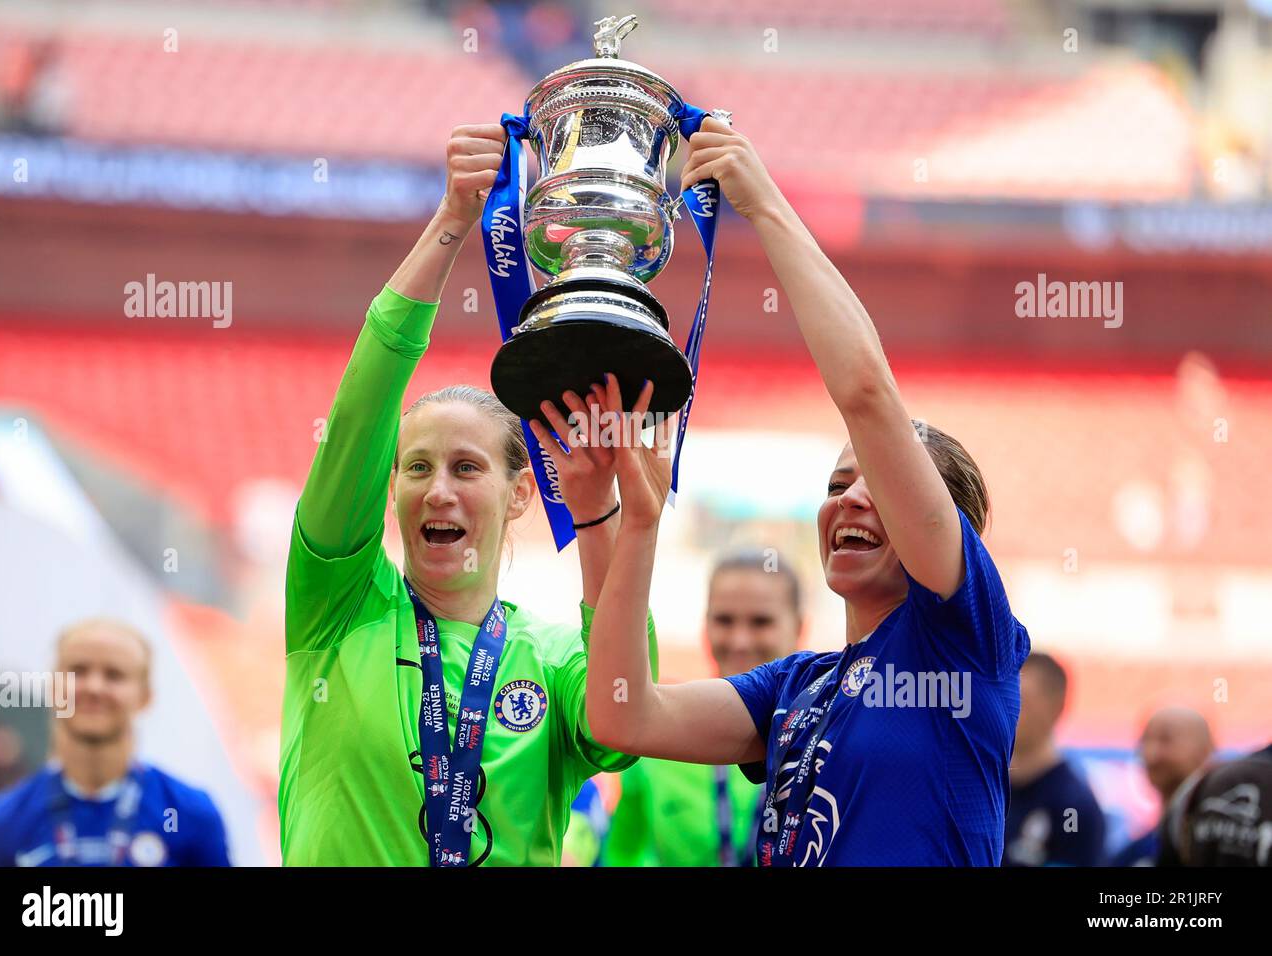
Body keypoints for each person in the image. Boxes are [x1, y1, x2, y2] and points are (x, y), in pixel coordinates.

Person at [580, 114, 1031, 866]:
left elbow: (866, 393)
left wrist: (764, 205)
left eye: (876, 486)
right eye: (835, 484)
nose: (848, 500)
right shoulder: (797, 688)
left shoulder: (962, 639)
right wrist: (637, 526)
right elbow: (622, 716)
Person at [279, 123, 657, 867]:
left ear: (520, 495)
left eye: (466, 468)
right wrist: (453, 221)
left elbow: (624, 721)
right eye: (416, 468)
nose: (438, 491)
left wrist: (599, 514)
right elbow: (361, 413)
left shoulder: (550, 658)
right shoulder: (340, 603)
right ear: (389, 489)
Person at [0, 619, 230, 867]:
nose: (94, 687)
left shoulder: (189, 813)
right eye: (78, 672)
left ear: (145, 696)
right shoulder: (3, 822)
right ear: (53, 688)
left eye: (114, 675)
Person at [603, 551, 804, 867]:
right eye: (724, 620)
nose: (739, 640)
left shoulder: (827, 735)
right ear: (705, 625)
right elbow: (620, 855)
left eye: (760, 622)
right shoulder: (657, 736)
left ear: (799, 627)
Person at [1003, 653, 1105, 866]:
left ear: (1056, 708)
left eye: (1021, 700)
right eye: (1003, 698)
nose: (1009, 710)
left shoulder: (1072, 806)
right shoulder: (987, 789)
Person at [1111, 706, 1213, 866]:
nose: (1151, 753)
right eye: (1145, 740)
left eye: (1166, 739)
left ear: (1205, 749)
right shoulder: (1138, 850)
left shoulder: (1215, 840)